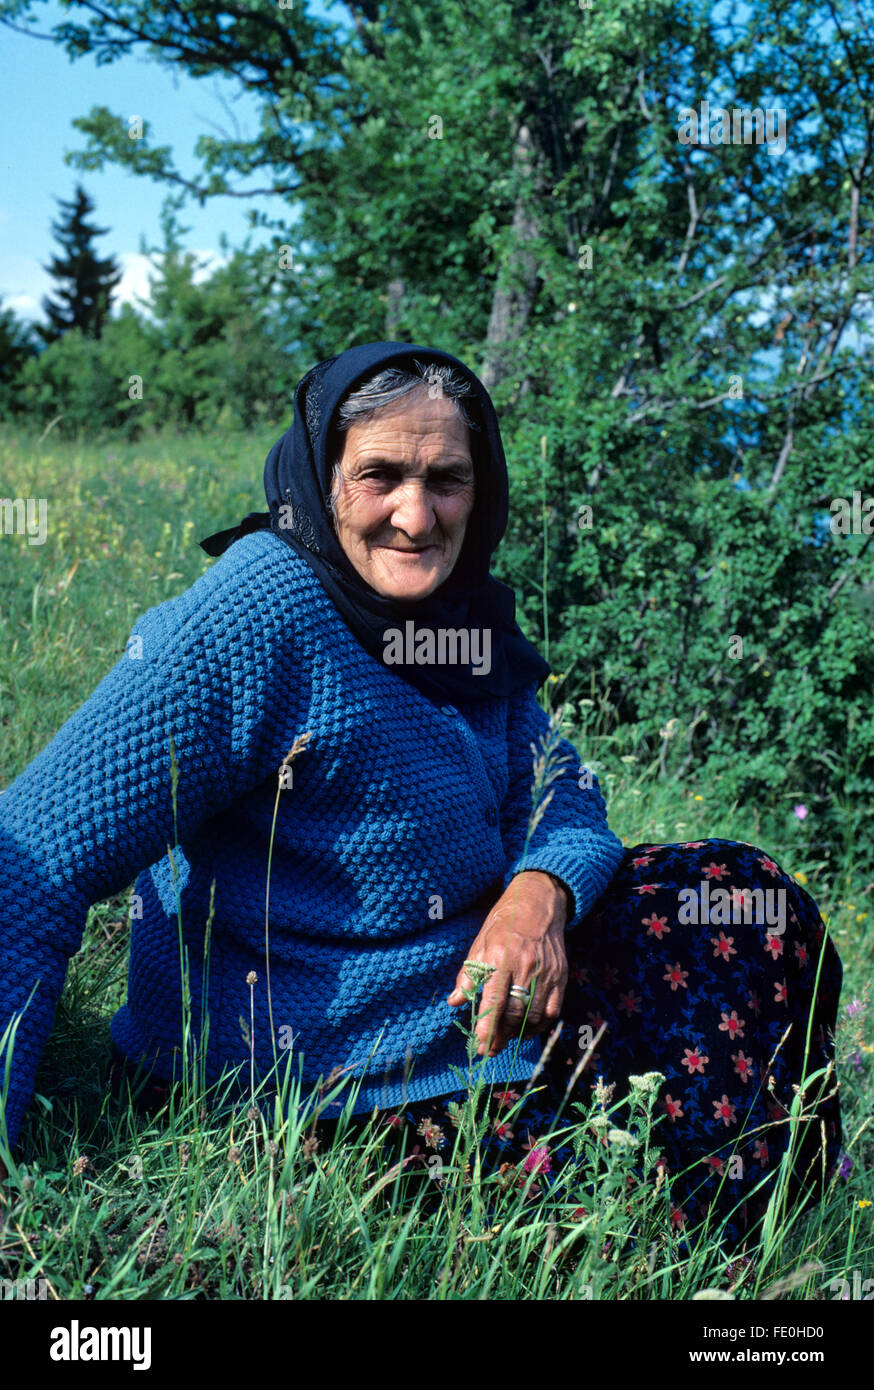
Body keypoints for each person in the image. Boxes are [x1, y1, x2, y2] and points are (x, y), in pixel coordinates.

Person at [0, 342, 842, 1249]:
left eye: (447, 478)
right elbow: (36, 853)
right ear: (322, 479)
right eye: (381, 475)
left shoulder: (460, 615)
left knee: (744, 900)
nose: (416, 514)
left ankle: (793, 1188)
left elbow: (562, 789)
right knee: (654, 1140)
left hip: (470, 990)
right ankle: (737, 1240)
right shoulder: (259, 613)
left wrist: (539, 895)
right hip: (323, 1077)